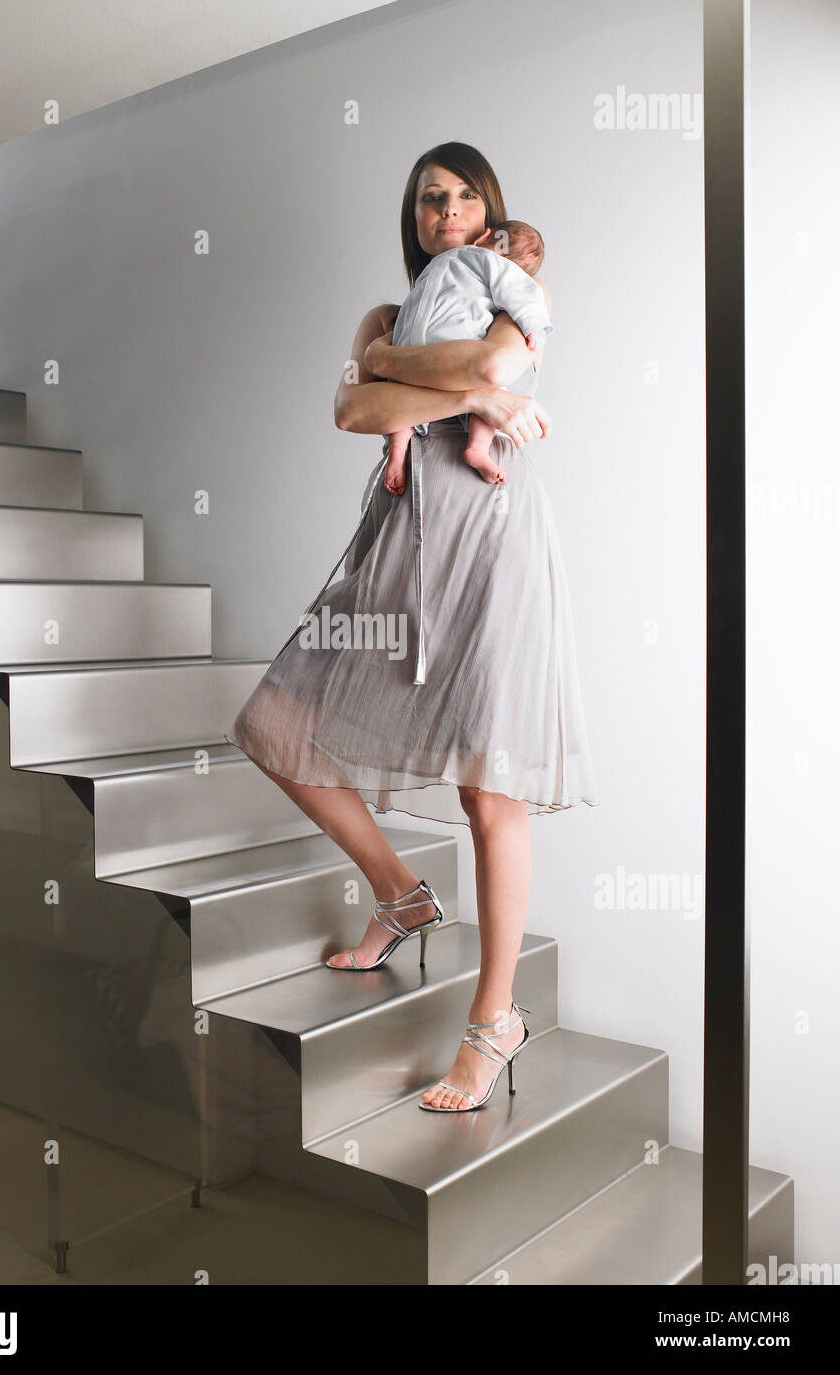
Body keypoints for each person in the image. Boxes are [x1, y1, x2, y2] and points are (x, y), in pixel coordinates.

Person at [225, 140, 599, 1112]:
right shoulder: (380, 316)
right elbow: (353, 408)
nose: (445, 212)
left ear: (489, 213)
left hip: (493, 541)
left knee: (488, 792)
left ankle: (491, 1025)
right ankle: (399, 893)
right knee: (275, 727)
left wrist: (417, 374)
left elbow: (485, 356)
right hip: (398, 541)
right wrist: (468, 393)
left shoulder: (506, 285)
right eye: (429, 198)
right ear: (414, 216)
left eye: (463, 197)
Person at [383, 219, 553, 492]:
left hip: (410, 348)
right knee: (492, 391)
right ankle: (477, 448)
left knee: (404, 404)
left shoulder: (443, 262)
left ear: (485, 235)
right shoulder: (495, 265)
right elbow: (524, 295)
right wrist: (534, 327)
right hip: (453, 350)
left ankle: (398, 449)